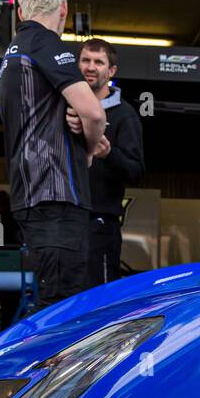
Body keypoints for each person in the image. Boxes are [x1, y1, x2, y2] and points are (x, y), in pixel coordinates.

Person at [0, 0, 106, 308]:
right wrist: (88, 149)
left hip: (28, 194)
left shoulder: (10, 55)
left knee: (51, 298)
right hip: (57, 193)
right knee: (63, 307)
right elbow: (94, 113)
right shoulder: (45, 43)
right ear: (63, 10)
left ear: (19, 11)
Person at [72, 38, 145, 287]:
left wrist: (109, 154)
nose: (91, 67)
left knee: (99, 306)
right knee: (60, 302)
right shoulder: (64, 106)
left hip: (100, 227)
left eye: (98, 62)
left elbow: (136, 172)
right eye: (85, 60)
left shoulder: (125, 115)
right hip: (64, 221)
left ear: (111, 71)